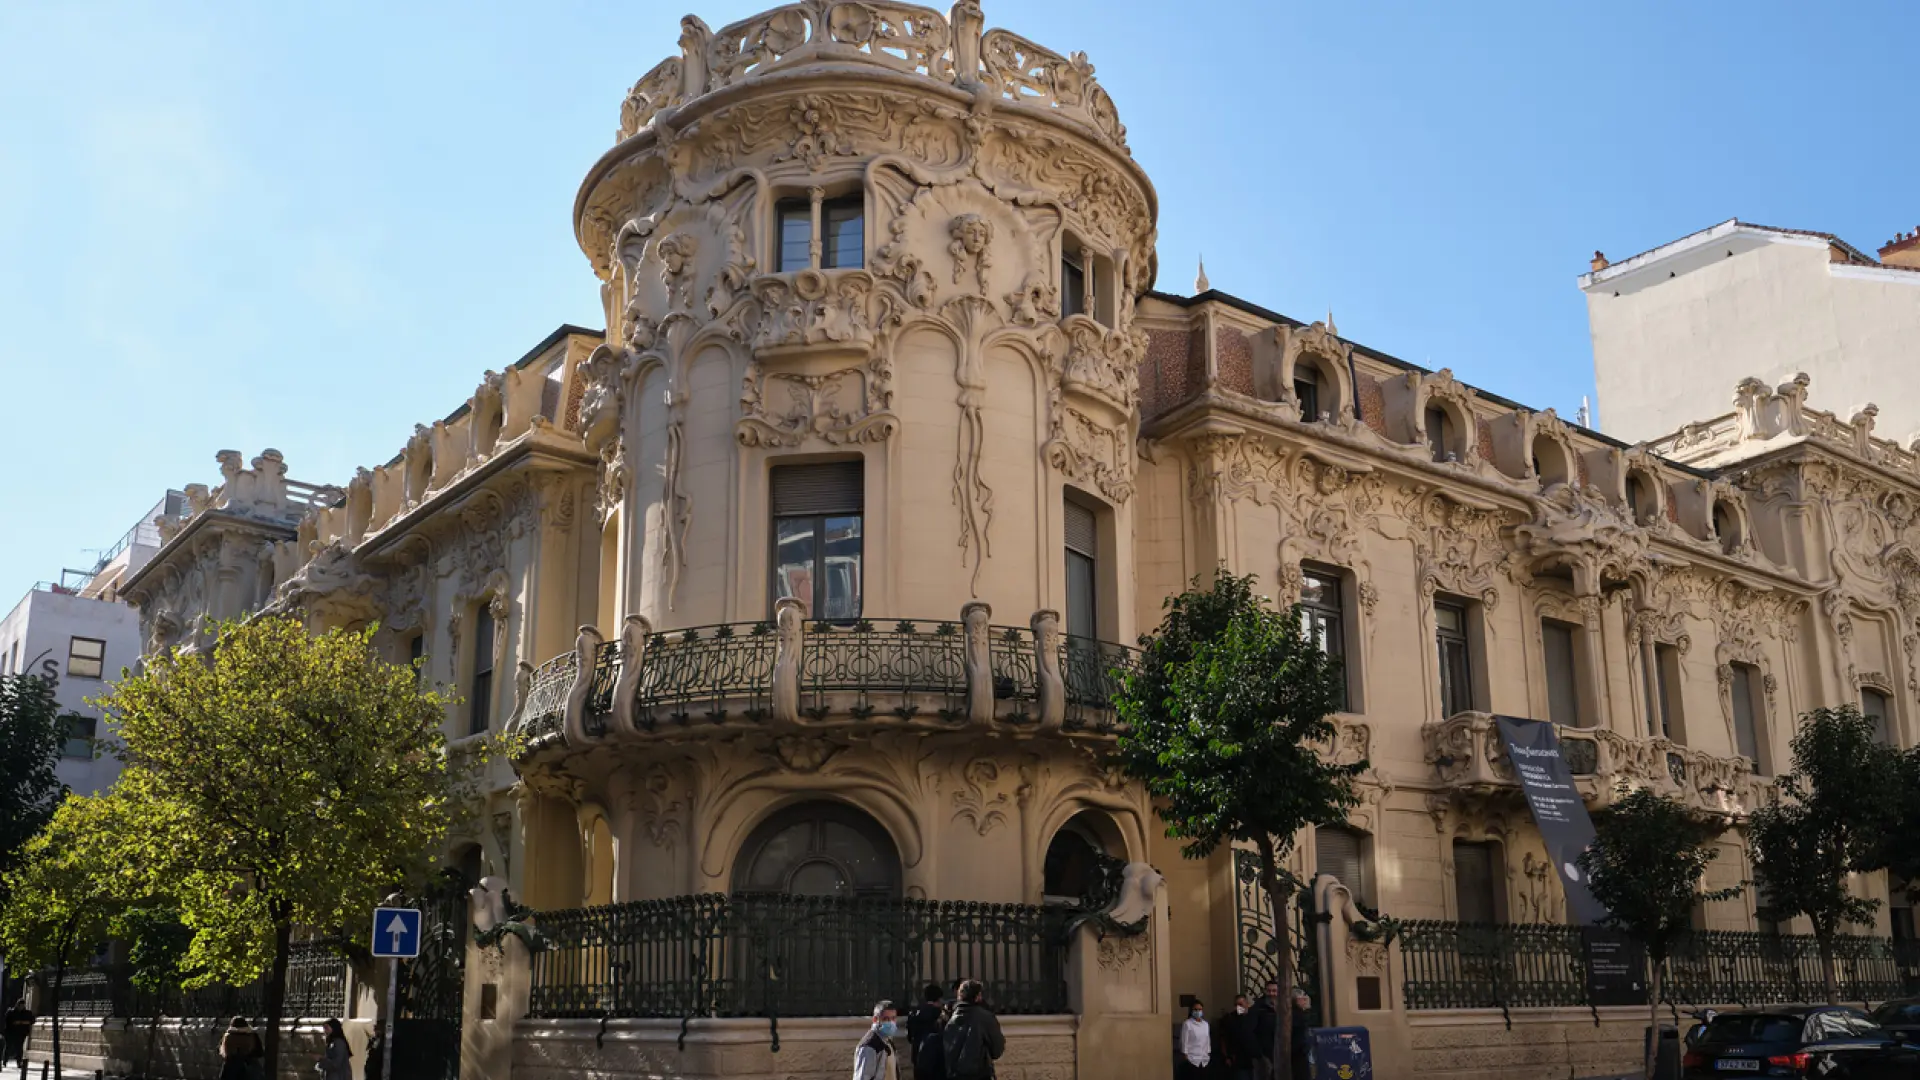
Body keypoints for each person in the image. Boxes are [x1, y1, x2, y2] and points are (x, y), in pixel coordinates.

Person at [941, 979, 1004, 1080]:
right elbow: (997, 1049)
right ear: (978, 996)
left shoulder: (948, 1016)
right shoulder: (985, 1017)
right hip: (979, 1074)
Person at [907, 982, 946, 1080]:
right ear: (939, 999)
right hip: (936, 1061)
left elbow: (910, 1036)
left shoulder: (914, 1014)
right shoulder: (940, 1015)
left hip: (918, 1057)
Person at [852, 1000, 899, 1080]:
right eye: (886, 1019)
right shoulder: (869, 1046)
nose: (890, 1023)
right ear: (875, 1019)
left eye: (893, 1018)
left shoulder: (887, 1042)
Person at [1220, 995, 1257, 1080]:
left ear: (1247, 1004)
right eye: (1236, 1005)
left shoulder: (1253, 1017)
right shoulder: (1230, 1019)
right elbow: (1224, 1039)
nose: (1238, 1007)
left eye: (1241, 1004)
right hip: (1238, 1060)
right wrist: (1226, 1057)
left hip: (1253, 1059)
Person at [1251, 981, 1280, 1080]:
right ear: (1265, 991)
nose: (1272, 994)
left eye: (1274, 991)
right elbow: (1250, 1031)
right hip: (1264, 1053)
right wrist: (1258, 1053)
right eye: (1269, 991)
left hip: (1280, 1052)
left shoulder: (1284, 1007)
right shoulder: (1258, 1008)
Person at [1177, 999, 1211, 1080]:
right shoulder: (1187, 1024)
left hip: (1204, 1059)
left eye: (1199, 1009)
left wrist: (1208, 1052)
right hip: (1192, 1059)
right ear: (1191, 1011)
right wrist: (1185, 1054)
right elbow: (1184, 1040)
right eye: (1195, 1009)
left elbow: (1207, 1039)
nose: (1198, 1011)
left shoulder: (1205, 1024)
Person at [1289, 988, 1314, 1080]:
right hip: (1298, 1055)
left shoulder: (1299, 1014)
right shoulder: (1297, 1016)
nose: (1306, 999)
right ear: (1297, 1000)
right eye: (1303, 996)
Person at [2, 999, 33, 1066]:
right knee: (8, 1047)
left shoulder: (27, 1013)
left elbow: (32, 1020)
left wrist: (24, 1022)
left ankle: (19, 1062)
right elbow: (6, 1022)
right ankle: (5, 1061)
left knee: (19, 1048)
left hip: (21, 1033)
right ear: (17, 1005)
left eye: (23, 1005)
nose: (21, 1007)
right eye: (20, 1005)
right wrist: (14, 1023)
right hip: (11, 1032)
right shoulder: (11, 1012)